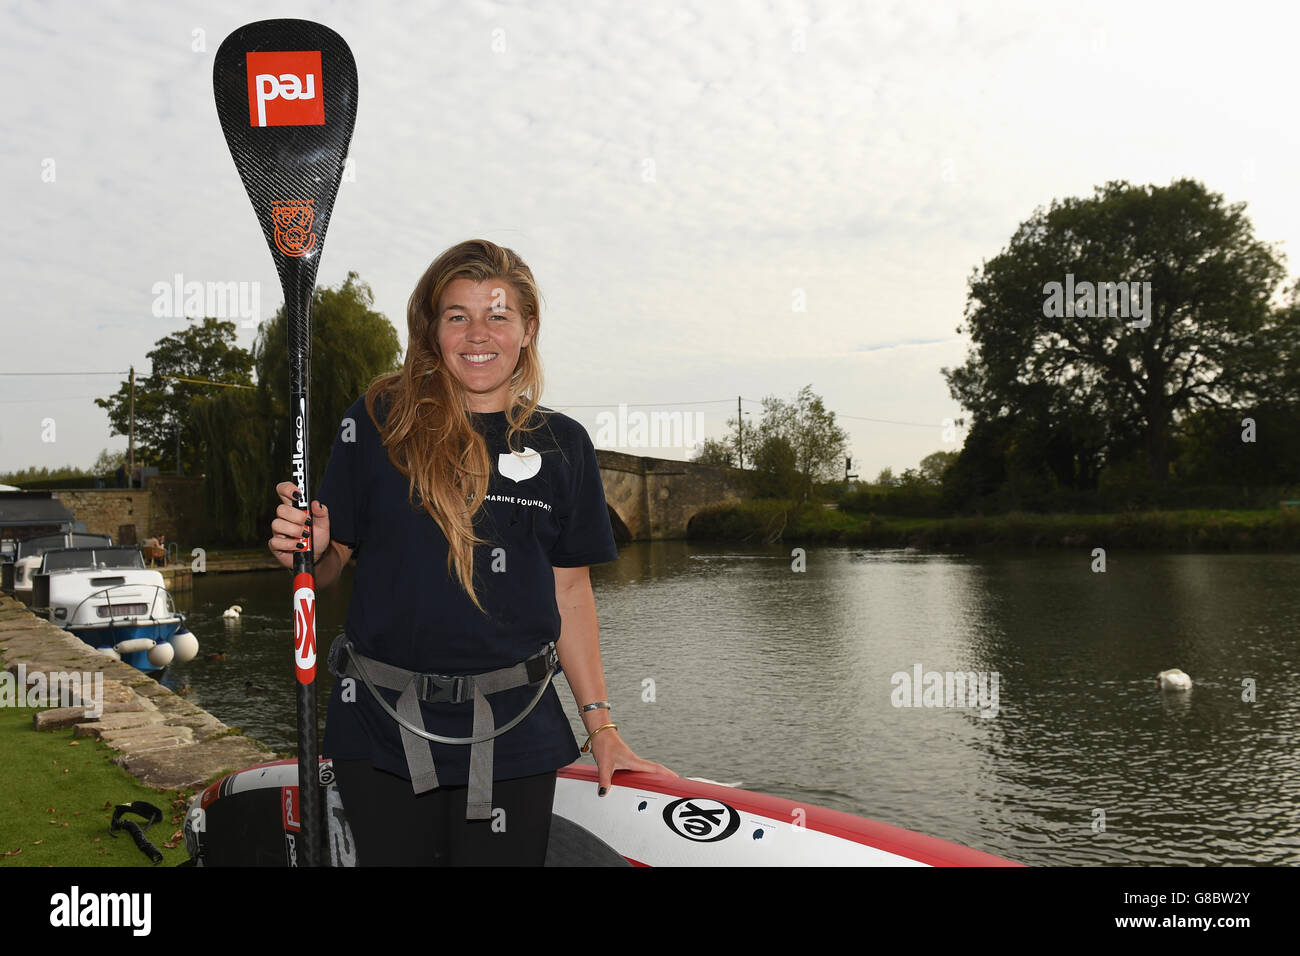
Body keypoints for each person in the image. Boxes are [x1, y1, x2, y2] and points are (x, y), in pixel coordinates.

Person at [267, 239, 673, 866]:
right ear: (433, 330)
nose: (477, 333)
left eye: (498, 314)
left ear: (527, 329)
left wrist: (602, 729)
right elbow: (325, 572)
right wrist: (308, 550)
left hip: (516, 733)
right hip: (380, 730)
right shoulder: (378, 421)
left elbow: (571, 593)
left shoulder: (563, 445)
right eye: (457, 315)